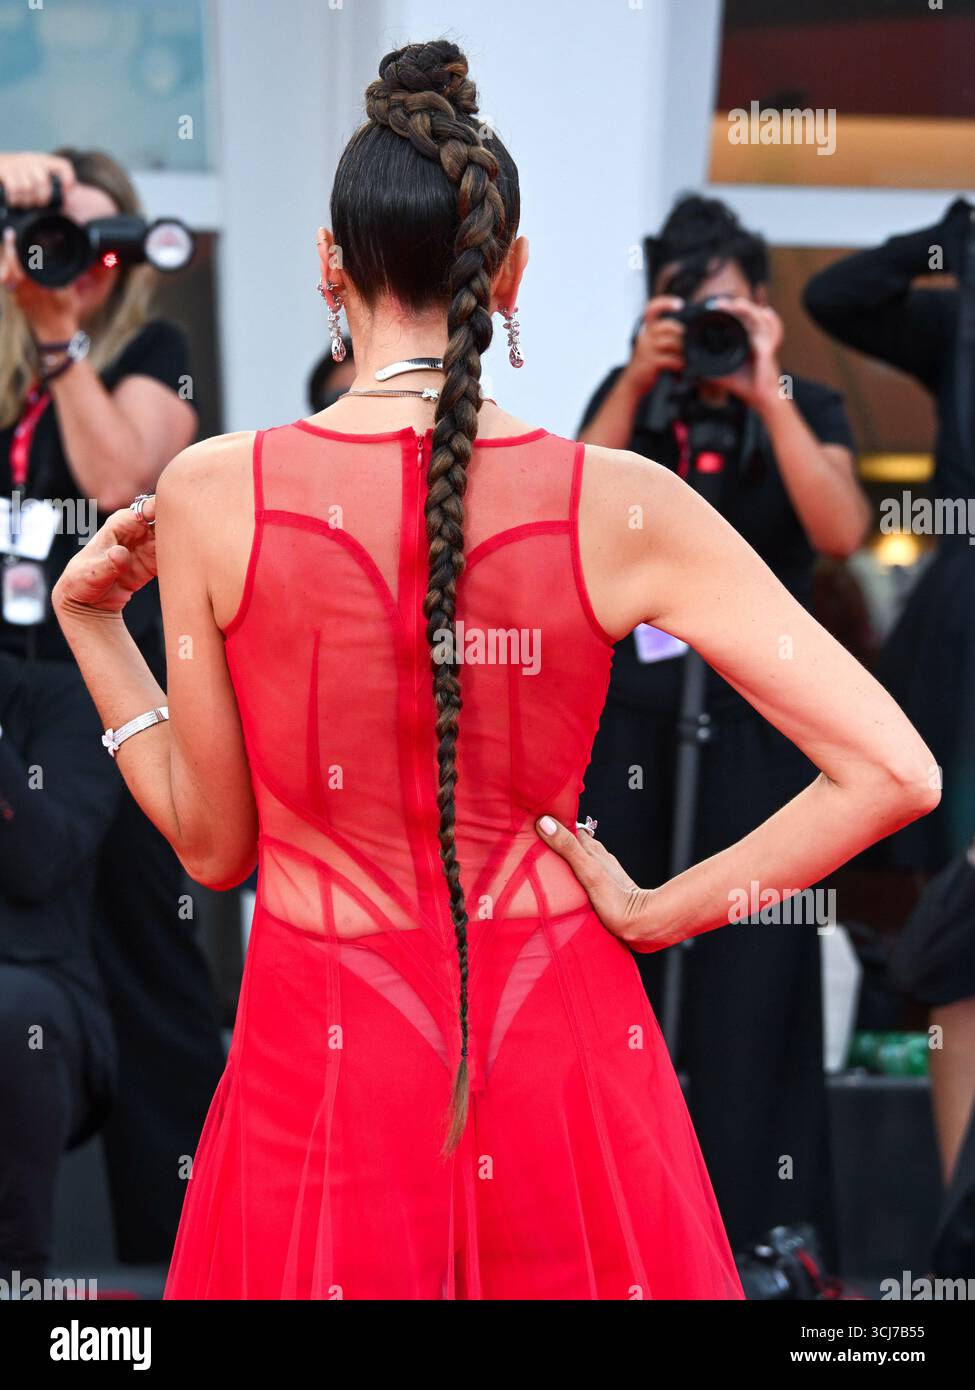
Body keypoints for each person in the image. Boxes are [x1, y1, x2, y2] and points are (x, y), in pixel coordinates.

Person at [52, 41, 937, 1301]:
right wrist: (652, 910)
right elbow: (895, 770)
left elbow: (214, 848)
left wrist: (95, 635)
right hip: (560, 1043)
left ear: (327, 264)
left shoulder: (213, 491)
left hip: (322, 1059)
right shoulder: (623, 502)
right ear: (508, 273)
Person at [577, 194, 870, 1252]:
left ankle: (754, 1236)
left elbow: (840, 529)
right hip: (632, 736)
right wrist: (640, 376)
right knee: (625, 962)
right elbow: (567, 505)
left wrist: (768, 387)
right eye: (687, 307)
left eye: (729, 308)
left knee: (754, 978)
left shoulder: (806, 400)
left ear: (762, 309)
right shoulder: (636, 406)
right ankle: (618, 1226)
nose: (708, 326)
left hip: (761, 733)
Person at [0, 147, 225, 1262]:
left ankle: (177, 1261)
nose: (67, 258)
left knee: (154, 984)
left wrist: (56, 337)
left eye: (89, 236)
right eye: (47, 235)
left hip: (115, 704)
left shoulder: (153, 350)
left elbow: (114, 480)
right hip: (7, 723)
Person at [804, 198, 975, 874]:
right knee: (942, 802)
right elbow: (833, 299)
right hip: (960, 601)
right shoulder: (958, 325)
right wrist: (939, 243)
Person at [0, 649, 119, 1281]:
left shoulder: (65, 702)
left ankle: (17, 1279)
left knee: (15, 1014)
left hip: (37, 987)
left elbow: (40, 862)